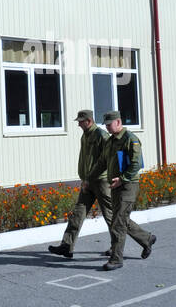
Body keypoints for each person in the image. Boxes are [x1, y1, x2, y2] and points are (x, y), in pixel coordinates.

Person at [97, 110, 155, 271]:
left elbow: (136, 164)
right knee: (121, 219)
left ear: (118, 122)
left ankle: (116, 259)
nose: (107, 128)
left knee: (118, 223)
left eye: (109, 125)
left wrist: (122, 179)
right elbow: (102, 162)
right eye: (106, 125)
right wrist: (89, 178)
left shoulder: (131, 140)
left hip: (128, 185)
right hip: (115, 185)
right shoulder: (110, 142)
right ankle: (147, 239)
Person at [48, 110, 110, 259]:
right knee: (78, 213)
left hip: (101, 181)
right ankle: (66, 246)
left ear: (88, 121)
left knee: (111, 216)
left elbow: (109, 159)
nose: (78, 124)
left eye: (80, 121)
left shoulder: (102, 136)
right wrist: (85, 179)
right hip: (88, 182)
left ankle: (142, 239)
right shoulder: (85, 135)